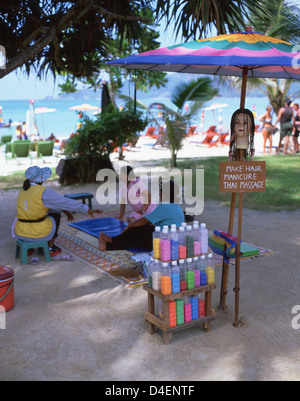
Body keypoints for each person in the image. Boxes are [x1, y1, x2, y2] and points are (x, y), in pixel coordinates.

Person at [13, 166, 102, 257]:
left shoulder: (22, 191)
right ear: (41, 179)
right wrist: (87, 209)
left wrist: (65, 210)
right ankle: (50, 247)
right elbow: (65, 202)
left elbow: (35, 207)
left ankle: (29, 248)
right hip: (36, 233)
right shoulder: (43, 192)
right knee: (56, 213)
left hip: (20, 232)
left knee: (36, 214)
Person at [99, 179, 185, 251]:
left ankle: (108, 245)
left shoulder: (165, 206)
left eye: (160, 192)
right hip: (171, 242)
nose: (159, 194)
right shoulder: (177, 207)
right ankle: (112, 240)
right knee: (140, 230)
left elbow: (144, 220)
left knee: (137, 230)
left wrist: (130, 226)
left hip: (164, 244)